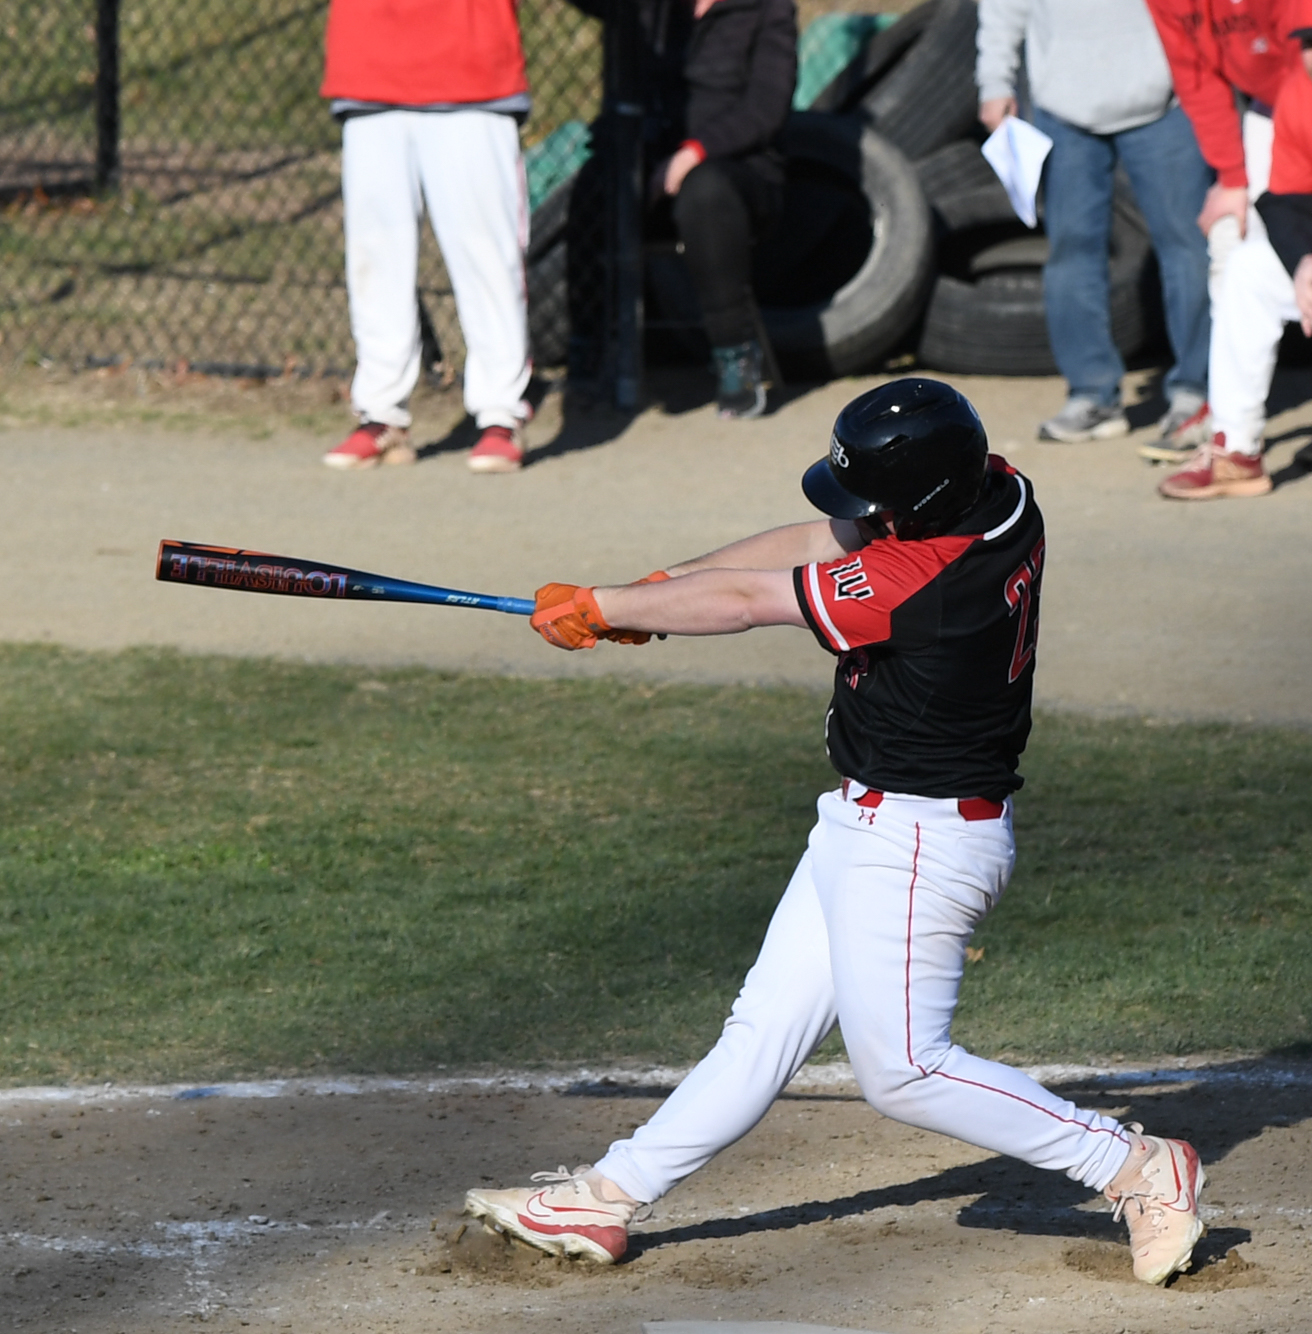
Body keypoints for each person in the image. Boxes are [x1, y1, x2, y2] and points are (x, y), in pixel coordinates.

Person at [461, 378, 1208, 1287]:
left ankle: (1135, 1167)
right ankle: (607, 1196)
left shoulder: (920, 584)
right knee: (763, 1030)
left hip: (922, 845)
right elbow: (815, 541)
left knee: (901, 1070)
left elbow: (747, 602)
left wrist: (609, 610)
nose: (862, 516)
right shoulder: (1000, 496)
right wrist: (656, 590)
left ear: (922, 500)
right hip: (863, 825)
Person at [977, 0, 1213, 449]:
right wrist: (994, 80)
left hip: (1167, 98)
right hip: (1060, 106)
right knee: (1071, 252)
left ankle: (1196, 395)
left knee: (1189, 246)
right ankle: (1092, 396)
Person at [318, 0, 535, 474]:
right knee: (376, 258)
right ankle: (381, 414)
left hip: (473, 71)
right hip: (369, 68)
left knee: (487, 255)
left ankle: (501, 414)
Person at [1140, 0, 1299, 468]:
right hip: (1268, 109)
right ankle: (1233, 432)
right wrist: (1232, 176)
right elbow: (1196, 77)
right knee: (1230, 244)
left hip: (1304, 99)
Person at [653, 0, 798, 418]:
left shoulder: (769, 9)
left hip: (741, 173)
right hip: (658, 164)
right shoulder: (655, 12)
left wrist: (694, 153)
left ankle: (735, 355)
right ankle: (589, 356)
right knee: (598, 184)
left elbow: (766, 108)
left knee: (706, 193)